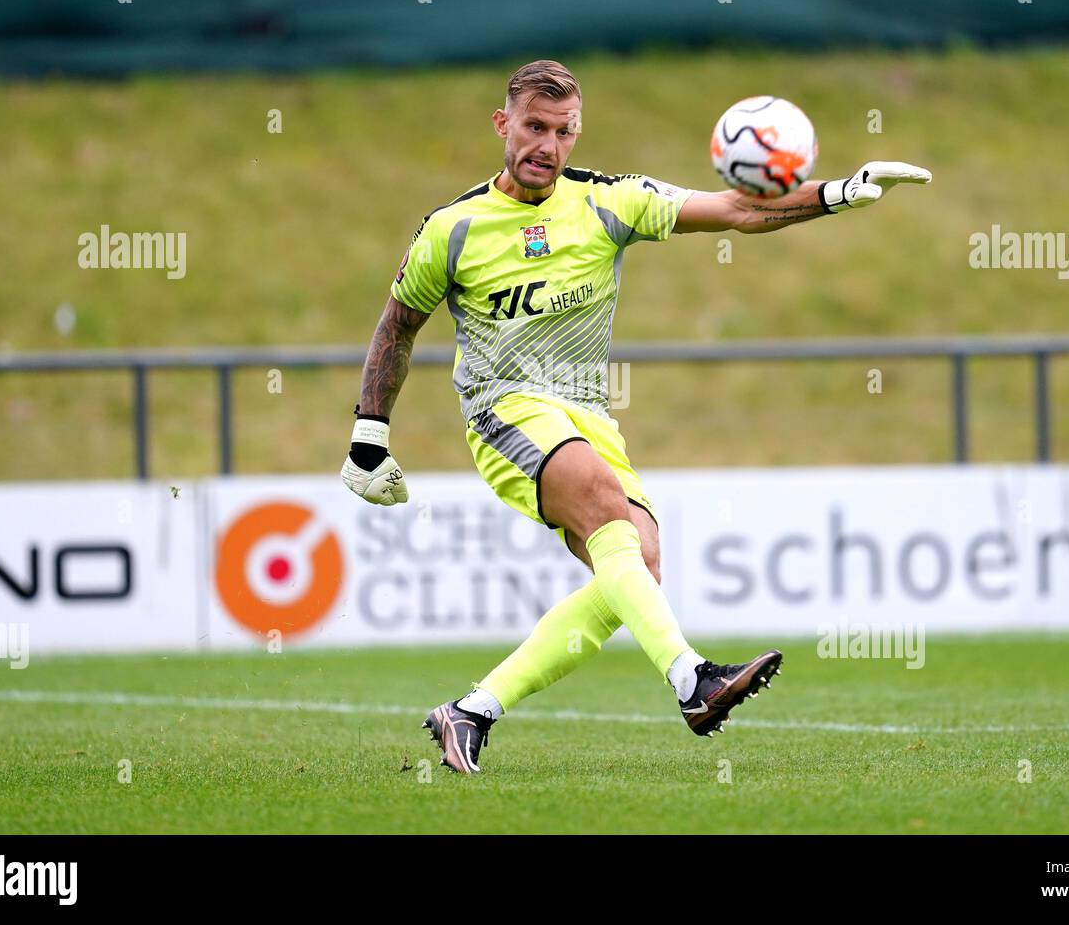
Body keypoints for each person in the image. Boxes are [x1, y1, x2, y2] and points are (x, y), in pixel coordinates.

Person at [342, 59, 931, 773]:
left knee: (639, 562)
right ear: (503, 125)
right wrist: (369, 434)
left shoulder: (611, 202)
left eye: (563, 132)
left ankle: (471, 711)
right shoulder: (453, 228)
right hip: (504, 410)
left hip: (588, 415)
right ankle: (693, 679)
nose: (548, 146)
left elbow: (739, 209)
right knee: (601, 503)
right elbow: (397, 324)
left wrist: (836, 193)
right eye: (534, 127)